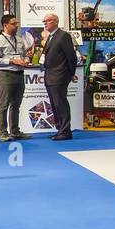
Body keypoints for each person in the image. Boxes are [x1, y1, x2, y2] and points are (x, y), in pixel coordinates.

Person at [0, 14, 30, 142]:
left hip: (19, 75)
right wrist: (12, 61)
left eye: (17, 23)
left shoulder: (19, 39)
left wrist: (26, 60)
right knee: (4, 105)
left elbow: (24, 55)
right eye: (14, 23)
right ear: (5, 25)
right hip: (6, 74)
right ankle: (3, 132)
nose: (16, 25)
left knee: (16, 105)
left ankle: (15, 131)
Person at [40, 13, 79, 141]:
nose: (45, 23)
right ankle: (60, 129)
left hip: (60, 75)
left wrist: (71, 73)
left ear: (56, 22)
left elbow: (71, 57)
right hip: (50, 75)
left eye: (48, 21)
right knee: (55, 104)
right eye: (44, 21)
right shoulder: (51, 37)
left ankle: (65, 131)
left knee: (60, 104)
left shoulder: (63, 36)